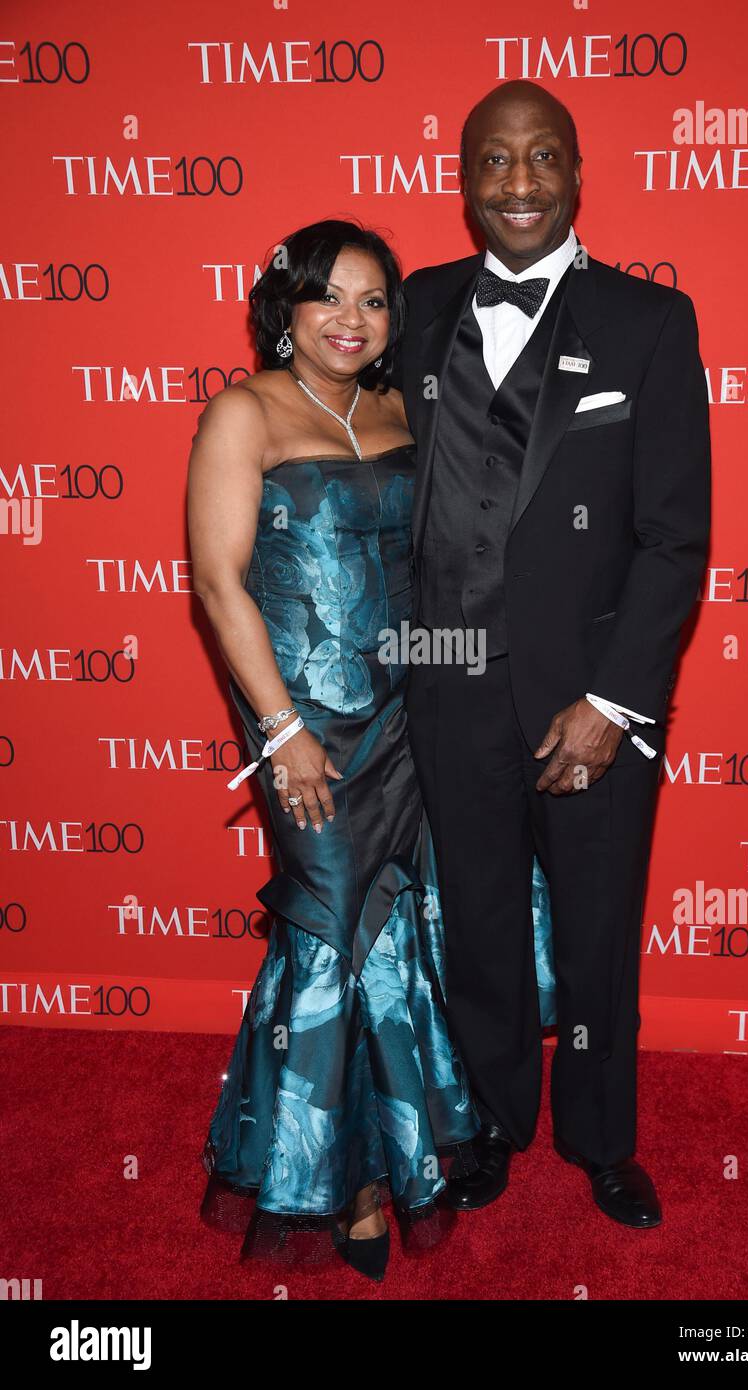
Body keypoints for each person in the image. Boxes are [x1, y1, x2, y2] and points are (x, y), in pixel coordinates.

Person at [397, 81, 711, 1226]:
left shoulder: (646, 322)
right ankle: (489, 1121)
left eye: (540, 158)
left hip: (587, 701)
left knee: (593, 930)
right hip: (446, 689)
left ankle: (599, 1138)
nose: (517, 182)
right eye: (493, 160)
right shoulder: (418, 309)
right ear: (465, 179)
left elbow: (674, 538)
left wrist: (613, 703)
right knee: (474, 921)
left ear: (576, 174)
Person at [187, 219, 481, 1283]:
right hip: (304, 722)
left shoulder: (400, 409)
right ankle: (332, 1179)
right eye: (328, 298)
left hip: (409, 711)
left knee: (392, 930)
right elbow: (219, 583)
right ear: (287, 308)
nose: (350, 321)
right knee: (327, 929)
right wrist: (281, 734)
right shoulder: (243, 412)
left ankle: (392, 1158)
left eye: (371, 301)